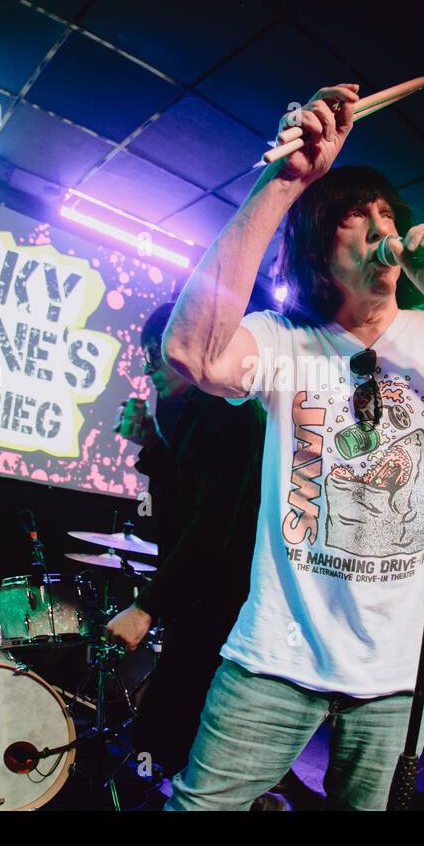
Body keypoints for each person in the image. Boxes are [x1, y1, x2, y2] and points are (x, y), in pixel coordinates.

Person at [159, 82, 424, 810]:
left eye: (387, 212)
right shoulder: (287, 341)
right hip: (276, 659)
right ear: (319, 247)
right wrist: (284, 183)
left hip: (402, 675)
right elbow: (189, 354)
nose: (381, 224)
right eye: (355, 215)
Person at [104, 303, 265, 778]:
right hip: (205, 602)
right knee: (167, 733)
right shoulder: (197, 413)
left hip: (224, 609)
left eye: (160, 350)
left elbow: (211, 529)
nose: (151, 364)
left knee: (170, 733)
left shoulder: (230, 413)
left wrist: (146, 607)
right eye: (147, 353)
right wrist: (154, 445)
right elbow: (180, 515)